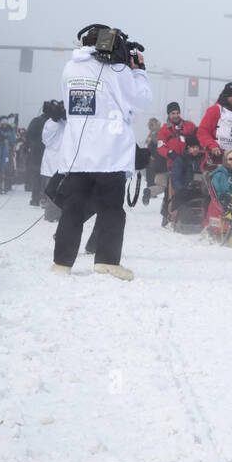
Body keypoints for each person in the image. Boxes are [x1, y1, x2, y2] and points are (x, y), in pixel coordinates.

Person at [51, 24, 151, 280]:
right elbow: (141, 99)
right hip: (110, 155)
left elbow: (68, 101)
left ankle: (62, 262)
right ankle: (106, 261)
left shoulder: (71, 67)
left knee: (73, 209)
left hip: (77, 155)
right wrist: (138, 71)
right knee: (111, 210)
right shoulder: (118, 71)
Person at [197, 83, 232, 159]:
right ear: (226, 97)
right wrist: (212, 146)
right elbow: (202, 131)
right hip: (217, 156)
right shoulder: (215, 110)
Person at [24, 103, 49, 206]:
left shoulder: (36, 120)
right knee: (46, 176)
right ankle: (44, 198)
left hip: (35, 153)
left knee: (36, 176)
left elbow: (28, 135)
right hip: (48, 153)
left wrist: (26, 147)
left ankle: (35, 198)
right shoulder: (53, 122)